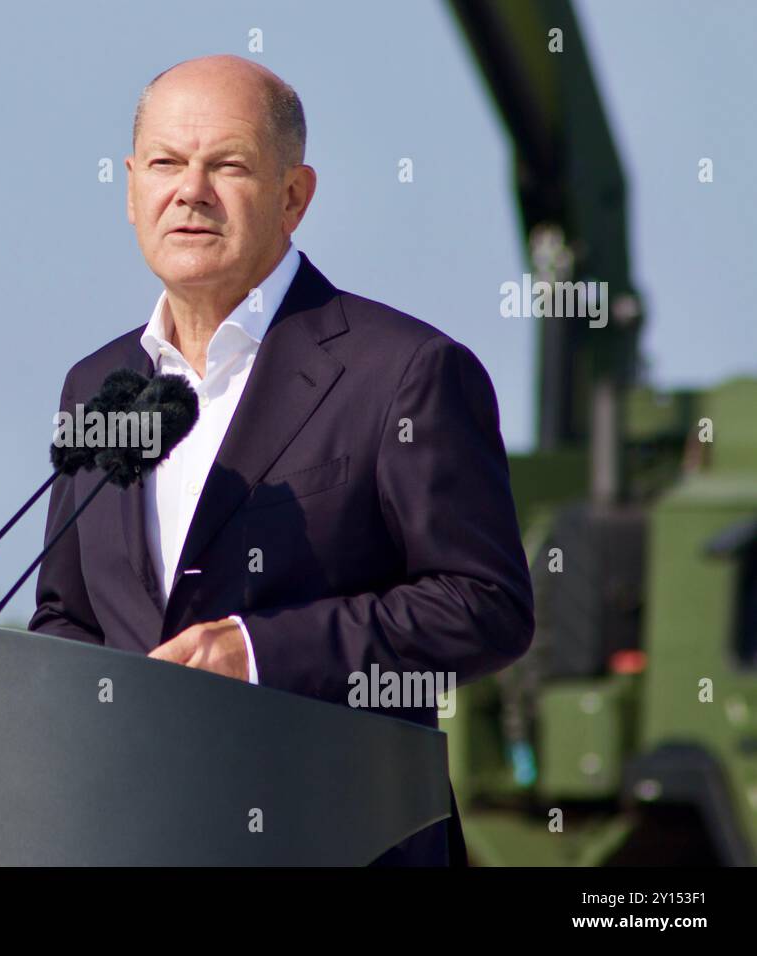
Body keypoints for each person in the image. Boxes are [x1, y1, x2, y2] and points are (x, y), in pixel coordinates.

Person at [29, 54, 534, 865]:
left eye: (226, 165)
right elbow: (71, 616)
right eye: (164, 163)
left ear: (294, 196)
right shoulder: (100, 386)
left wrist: (260, 653)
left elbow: (484, 606)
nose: (189, 190)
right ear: (130, 188)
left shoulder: (402, 372)